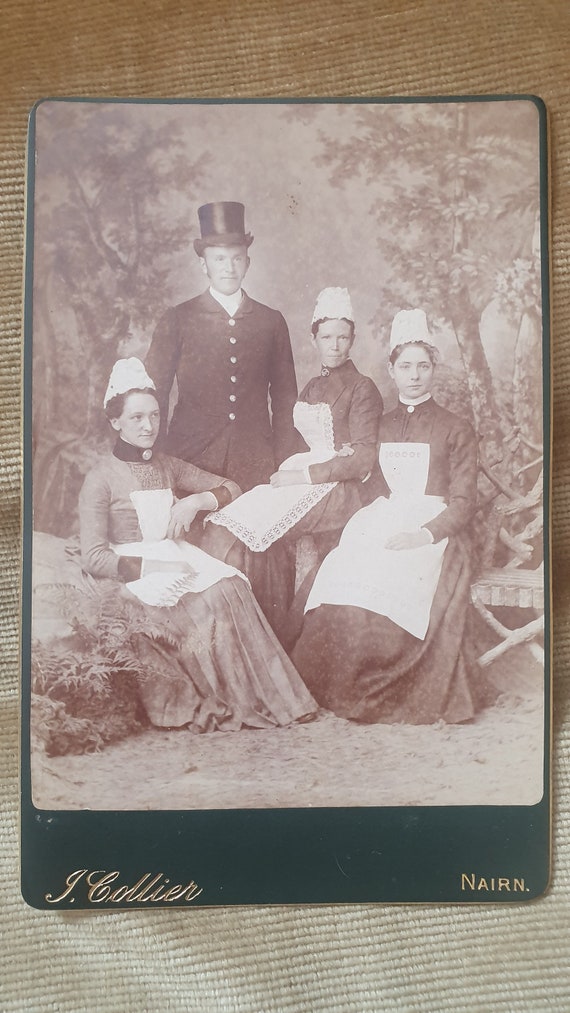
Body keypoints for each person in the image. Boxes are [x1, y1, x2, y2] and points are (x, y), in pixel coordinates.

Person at [78, 358, 317, 733]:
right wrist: (150, 570)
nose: (148, 426)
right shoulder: (100, 478)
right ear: (116, 422)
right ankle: (220, 699)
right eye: (137, 417)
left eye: (155, 416)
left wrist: (194, 501)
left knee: (230, 586)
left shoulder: (167, 465)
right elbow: (93, 556)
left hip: (174, 555)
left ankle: (265, 699)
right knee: (195, 605)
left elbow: (231, 487)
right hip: (134, 570)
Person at [292, 309, 490, 725]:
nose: (414, 375)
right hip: (386, 515)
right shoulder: (380, 425)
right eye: (405, 366)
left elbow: (464, 501)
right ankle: (337, 685)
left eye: (422, 365)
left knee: (394, 573)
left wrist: (424, 534)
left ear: (434, 368)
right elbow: (374, 485)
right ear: (392, 370)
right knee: (344, 569)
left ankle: (386, 685)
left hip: (436, 528)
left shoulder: (455, 428)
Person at [204, 287, 384, 639]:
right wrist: (287, 473)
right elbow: (305, 442)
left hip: (337, 491)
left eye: (343, 337)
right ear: (315, 338)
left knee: (252, 530)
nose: (335, 345)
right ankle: (238, 628)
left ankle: (263, 635)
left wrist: (303, 474)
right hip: (305, 478)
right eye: (327, 336)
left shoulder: (363, 388)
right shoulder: (313, 388)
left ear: (352, 340)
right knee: (232, 522)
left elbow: (363, 459)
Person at [145, 201, 299, 492]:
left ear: (248, 262)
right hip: (189, 457)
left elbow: (284, 401)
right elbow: (155, 395)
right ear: (204, 264)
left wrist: (285, 463)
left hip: (255, 460)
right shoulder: (178, 319)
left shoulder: (271, 321)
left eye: (236, 258)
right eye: (219, 259)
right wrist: (157, 460)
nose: (228, 268)